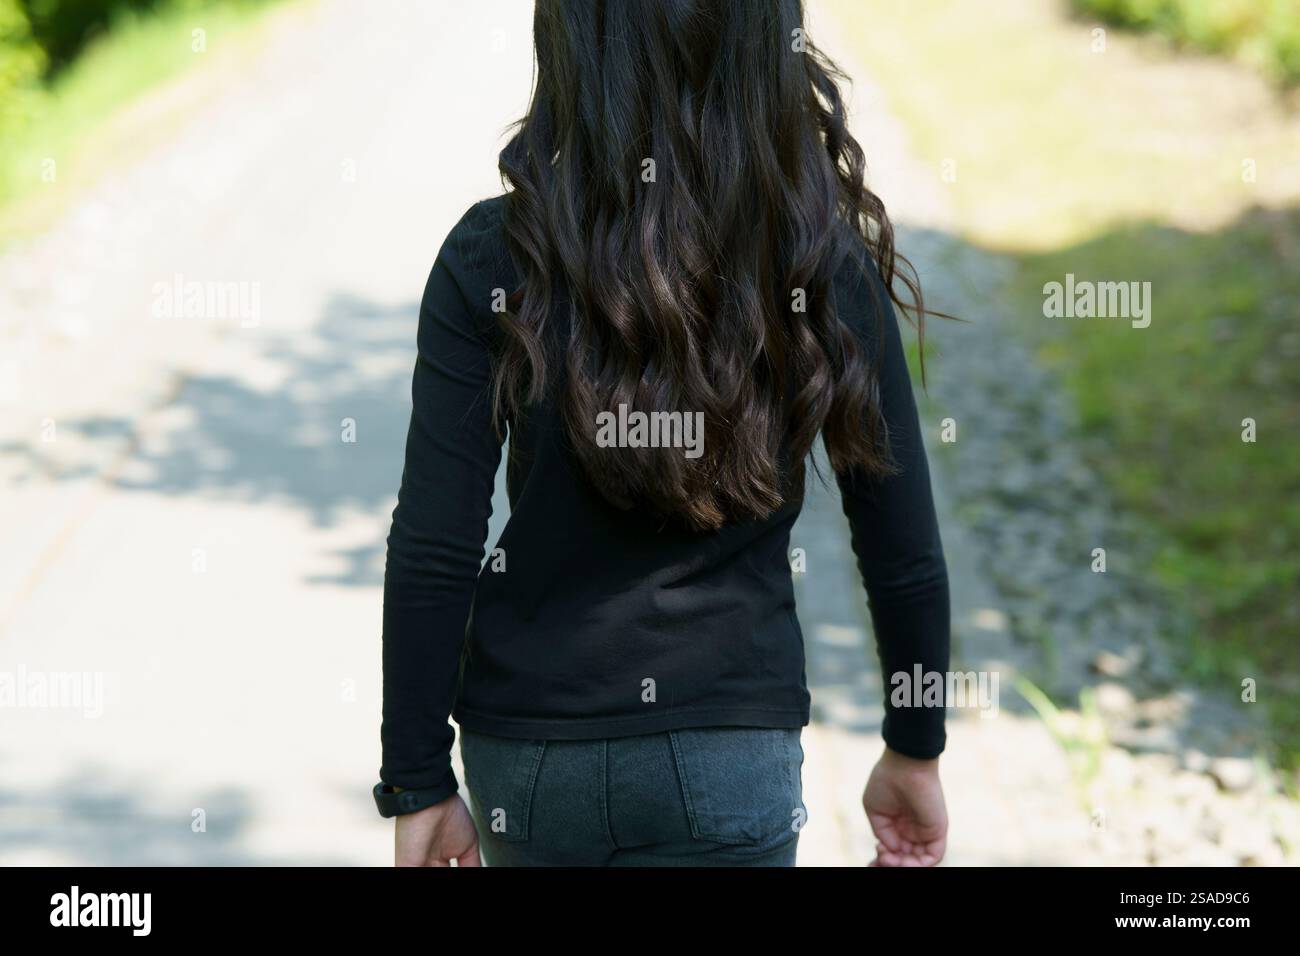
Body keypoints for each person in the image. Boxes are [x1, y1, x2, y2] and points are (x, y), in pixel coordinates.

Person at [373, 0, 951, 868]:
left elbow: (434, 544)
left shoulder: (491, 259)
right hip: (730, 758)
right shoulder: (813, 258)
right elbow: (901, 542)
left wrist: (416, 781)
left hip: (531, 765)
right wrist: (915, 745)